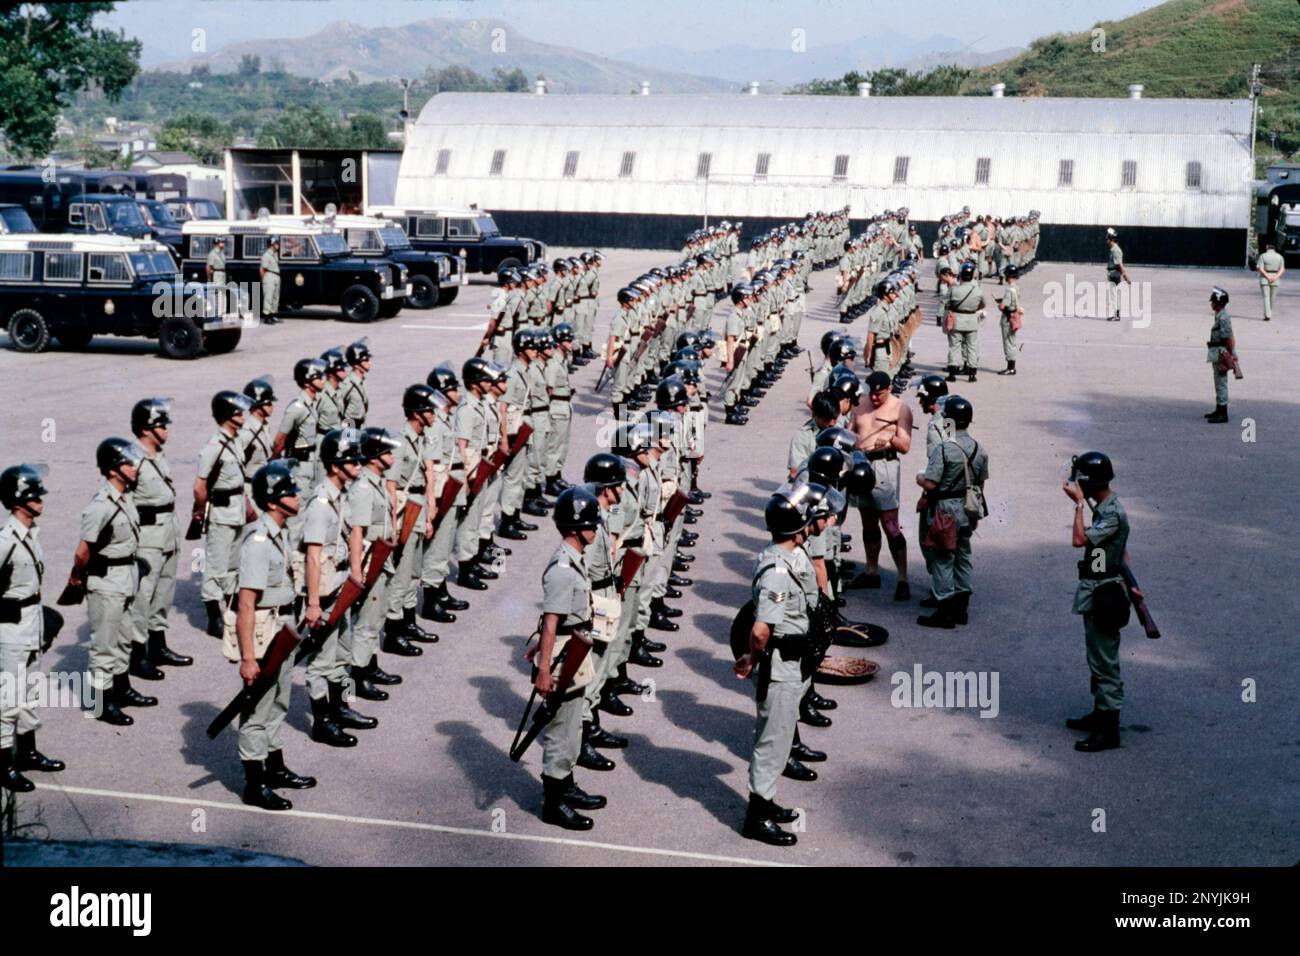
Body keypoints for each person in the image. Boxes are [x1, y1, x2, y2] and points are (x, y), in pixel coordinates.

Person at [735, 486, 820, 847]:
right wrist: (753, 658)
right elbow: (760, 629)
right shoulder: (778, 573)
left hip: (791, 660)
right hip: (779, 663)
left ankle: (766, 803)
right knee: (772, 743)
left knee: (781, 735)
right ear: (796, 528)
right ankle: (757, 816)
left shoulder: (786, 556)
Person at [232, 462, 313, 810]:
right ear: (273, 501)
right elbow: (246, 605)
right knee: (257, 708)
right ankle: (254, 783)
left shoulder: (279, 532)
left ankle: (275, 767)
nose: (297, 495)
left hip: (284, 626)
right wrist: (248, 658)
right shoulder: (259, 541)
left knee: (279, 699)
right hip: (265, 630)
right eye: (289, 491)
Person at [531, 486, 606, 830]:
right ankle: (553, 801)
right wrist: (544, 670)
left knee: (573, 724)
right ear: (576, 529)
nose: (597, 528)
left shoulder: (573, 559)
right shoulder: (563, 568)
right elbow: (551, 624)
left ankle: (566, 783)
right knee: (561, 730)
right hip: (563, 657)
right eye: (592, 523)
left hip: (575, 652)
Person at [300, 427, 374, 748]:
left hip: (342, 585)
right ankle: (322, 720)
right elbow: (313, 557)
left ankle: (341, 705)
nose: (358, 465)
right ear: (334, 466)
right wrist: (313, 603)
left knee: (342, 653)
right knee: (321, 660)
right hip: (326, 592)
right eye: (351, 461)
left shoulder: (340, 496)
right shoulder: (320, 502)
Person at [70, 438, 151, 725]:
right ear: (114, 470)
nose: (134, 467)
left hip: (125, 578)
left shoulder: (124, 498)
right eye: (128, 463)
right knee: (104, 645)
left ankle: (122, 688)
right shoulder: (100, 506)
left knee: (123, 637)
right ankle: (101, 704)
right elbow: (82, 552)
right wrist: (78, 578)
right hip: (106, 583)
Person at [1062, 451, 1134, 753]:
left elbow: (1079, 540)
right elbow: (1123, 551)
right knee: (1097, 657)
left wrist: (1078, 504)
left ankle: (1109, 729)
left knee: (1104, 662)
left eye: (1082, 481)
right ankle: (1099, 713)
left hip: (1103, 592)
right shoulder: (1106, 506)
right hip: (1100, 585)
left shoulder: (1112, 514)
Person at [0, 465, 65, 791]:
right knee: (8, 698)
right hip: (10, 630)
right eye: (33, 494)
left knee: (29, 693)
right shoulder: (5, 541)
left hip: (31, 625)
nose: (40, 499)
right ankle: (3, 765)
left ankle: (27, 752)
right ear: (17, 500)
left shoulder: (30, 534)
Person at [128, 398, 190, 678]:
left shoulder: (158, 455)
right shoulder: (132, 460)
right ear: (147, 428)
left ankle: (158, 645)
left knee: (164, 592)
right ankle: (137, 654)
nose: (167, 429)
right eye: (161, 424)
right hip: (147, 536)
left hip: (168, 531)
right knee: (143, 596)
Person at [915, 397, 988, 628]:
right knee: (963, 556)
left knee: (943, 558)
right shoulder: (979, 449)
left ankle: (944, 611)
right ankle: (961, 608)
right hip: (966, 508)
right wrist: (974, 515)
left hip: (945, 510)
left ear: (949, 420)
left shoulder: (945, 449)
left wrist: (919, 479)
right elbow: (980, 484)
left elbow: (931, 484)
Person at [348, 427, 403, 699]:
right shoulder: (363, 488)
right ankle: (358, 676)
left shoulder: (376, 482)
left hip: (382, 560)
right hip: (370, 563)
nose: (392, 455)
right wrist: (357, 571)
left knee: (376, 616)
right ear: (375, 456)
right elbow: (357, 531)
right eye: (388, 450)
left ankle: (370, 665)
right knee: (366, 622)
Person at [849, 371, 914, 601]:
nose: (875, 399)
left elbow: (905, 445)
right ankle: (871, 570)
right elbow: (850, 431)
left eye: (879, 395)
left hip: (885, 467)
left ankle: (902, 578)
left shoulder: (900, 408)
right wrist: (853, 440)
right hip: (861, 465)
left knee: (890, 524)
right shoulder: (860, 404)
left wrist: (889, 439)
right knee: (868, 521)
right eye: (872, 394)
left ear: (889, 389)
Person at [196, 390, 252, 638]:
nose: (243, 415)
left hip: (237, 510)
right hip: (220, 513)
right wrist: (200, 511)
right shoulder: (213, 446)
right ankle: (213, 618)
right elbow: (200, 487)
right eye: (238, 411)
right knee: (215, 567)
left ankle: (232, 612)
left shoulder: (235, 440)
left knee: (232, 565)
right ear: (227, 415)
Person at [944, 260, 985, 383]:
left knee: (954, 347)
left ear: (961, 275)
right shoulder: (978, 290)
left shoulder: (954, 290)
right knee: (971, 347)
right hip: (972, 320)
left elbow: (946, 303)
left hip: (957, 320)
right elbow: (983, 305)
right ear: (972, 275)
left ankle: (952, 373)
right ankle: (972, 374)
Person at [1205, 287, 1236, 423]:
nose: (1211, 304)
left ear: (1218, 303)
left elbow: (1228, 338)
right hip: (1218, 351)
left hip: (1222, 353)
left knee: (1221, 382)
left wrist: (1231, 354)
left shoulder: (1223, 317)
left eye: (1213, 302)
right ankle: (1219, 409)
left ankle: (1223, 413)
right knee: (1218, 381)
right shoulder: (1219, 315)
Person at [996, 265, 1023, 375]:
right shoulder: (1016, 288)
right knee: (1012, 341)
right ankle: (1011, 367)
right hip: (1015, 315)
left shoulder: (1009, 290)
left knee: (1008, 342)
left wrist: (999, 304)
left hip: (1008, 318)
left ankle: (1010, 368)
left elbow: (1002, 307)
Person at [1104, 228, 1129, 322]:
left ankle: (1116, 316)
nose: (1106, 239)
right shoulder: (1113, 249)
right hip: (1113, 273)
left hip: (1115, 274)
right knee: (1114, 295)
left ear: (1111, 238)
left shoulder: (1115, 250)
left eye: (1108, 238)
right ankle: (1115, 314)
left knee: (1114, 295)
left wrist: (1125, 276)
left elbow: (1120, 265)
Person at [1257, 240, 1285, 321]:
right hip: (1275, 278)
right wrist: (1275, 277)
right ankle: (1269, 312)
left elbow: (1261, 269)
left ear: (1267, 246)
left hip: (1264, 278)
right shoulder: (1280, 257)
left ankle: (1267, 315)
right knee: (1272, 298)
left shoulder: (1263, 256)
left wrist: (1267, 277)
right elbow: (1282, 269)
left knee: (1266, 297)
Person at [259, 237, 281, 325]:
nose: (278, 245)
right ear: (272, 245)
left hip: (276, 276)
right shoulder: (266, 255)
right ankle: (267, 316)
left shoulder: (275, 254)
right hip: (269, 276)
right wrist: (263, 279)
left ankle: (273, 314)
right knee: (268, 297)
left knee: (275, 297)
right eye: (276, 244)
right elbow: (262, 269)